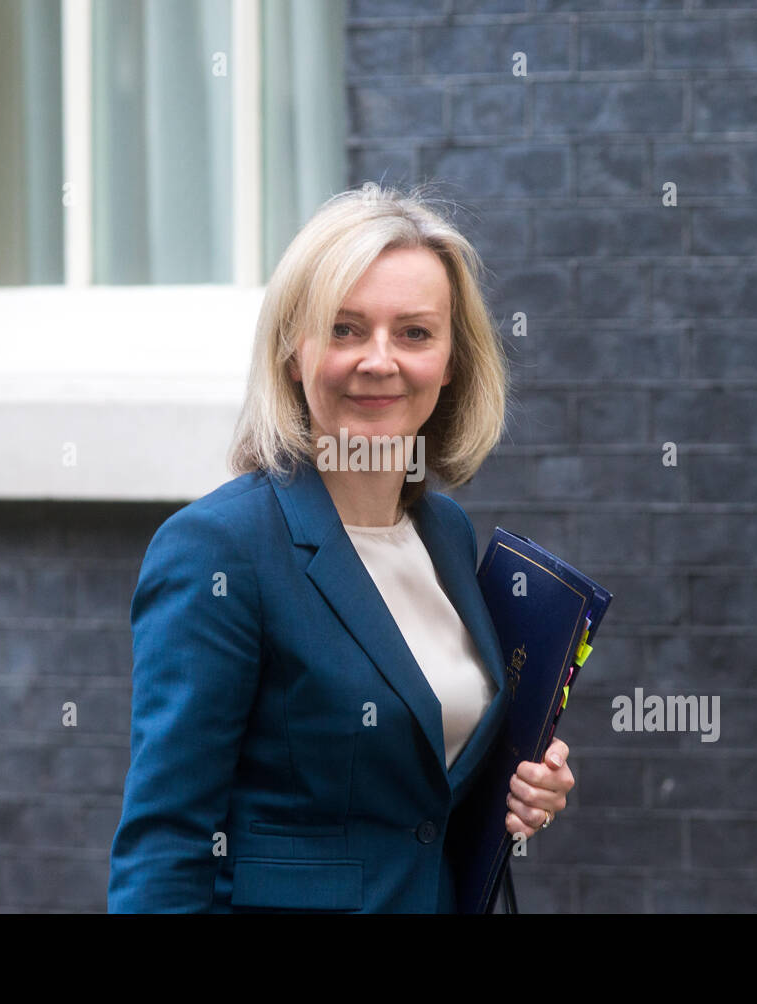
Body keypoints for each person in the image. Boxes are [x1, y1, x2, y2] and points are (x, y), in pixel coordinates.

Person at [107, 182, 574, 913]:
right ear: (295, 352)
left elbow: (415, 784)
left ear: (451, 362)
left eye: (415, 333)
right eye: (346, 329)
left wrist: (518, 785)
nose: (379, 360)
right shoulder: (219, 550)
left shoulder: (444, 533)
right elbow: (165, 845)